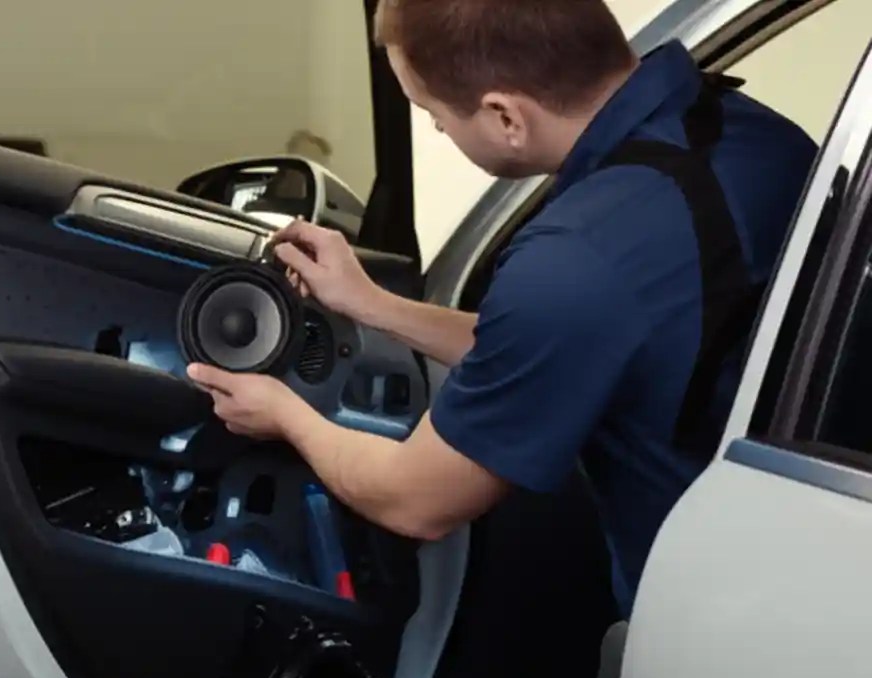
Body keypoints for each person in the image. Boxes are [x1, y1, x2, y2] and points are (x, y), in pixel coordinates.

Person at [186, 0, 818, 622]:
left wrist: (284, 417)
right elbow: (578, 343)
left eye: (433, 115)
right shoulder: (755, 133)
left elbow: (416, 500)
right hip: (804, 552)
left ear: (504, 116)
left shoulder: (577, 256)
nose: (438, 129)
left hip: (722, 619)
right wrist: (372, 306)